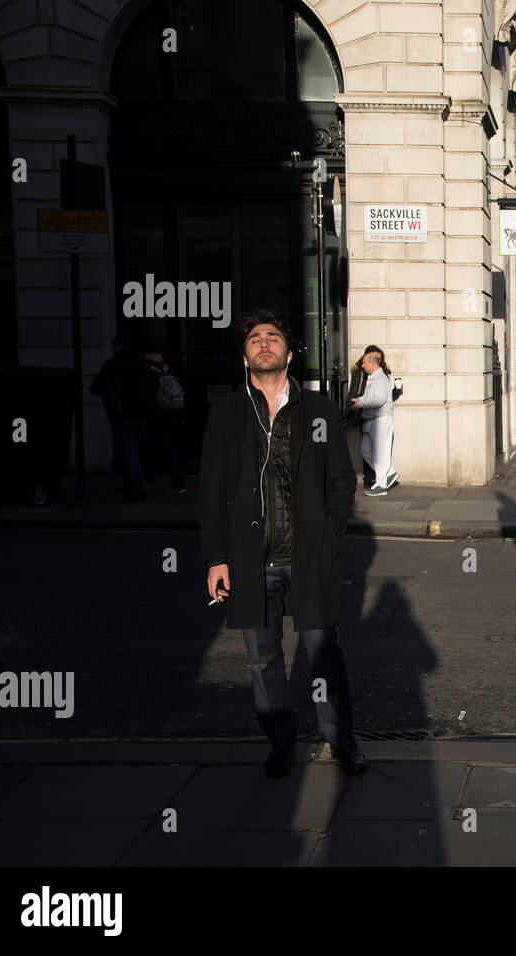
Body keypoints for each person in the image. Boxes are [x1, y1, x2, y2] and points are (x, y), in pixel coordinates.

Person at [199, 310, 367, 777]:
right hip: (251, 558)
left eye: (274, 337)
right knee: (263, 660)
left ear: (290, 354)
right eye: (255, 338)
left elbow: (340, 478)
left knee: (322, 652)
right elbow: (211, 490)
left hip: (308, 553)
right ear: (245, 354)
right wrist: (215, 558)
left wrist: (331, 531)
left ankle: (341, 740)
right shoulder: (227, 414)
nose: (264, 343)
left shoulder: (317, 411)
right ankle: (280, 740)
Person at [90, 337, 158, 500]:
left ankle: (140, 486)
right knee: (132, 450)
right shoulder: (144, 365)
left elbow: (97, 387)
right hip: (143, 413)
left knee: (127, 451)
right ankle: (130, 483)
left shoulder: (113, 364)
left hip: (122, 414)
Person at [349, 346, 397, 496]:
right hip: (371, 420)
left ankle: (381, 485)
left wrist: (360, 403)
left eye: (364, 363)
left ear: (372, 363)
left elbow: (379, 400)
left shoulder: (381, 378)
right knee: (366, 451)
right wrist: (360, 401)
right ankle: (389, 473)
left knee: (381, 454)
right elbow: (371, 397)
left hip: (380, 419)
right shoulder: (373, 378)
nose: (362, 365)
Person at [140, 343, 187, 495]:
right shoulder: (169, 369)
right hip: (172, 413)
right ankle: (146, 481)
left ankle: (175, 482)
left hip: (157, 415)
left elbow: (146, 395)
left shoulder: (147, 370)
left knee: (158, 449)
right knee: (162, 448)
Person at [346, 353, 374, 488]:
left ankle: (377, 476)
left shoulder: (381, 375)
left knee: (377, 448)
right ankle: (369, 477)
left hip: (378, 415)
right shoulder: (360, 374)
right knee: (366, 448)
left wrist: (396, 392)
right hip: (365, 413)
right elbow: (354, 392)